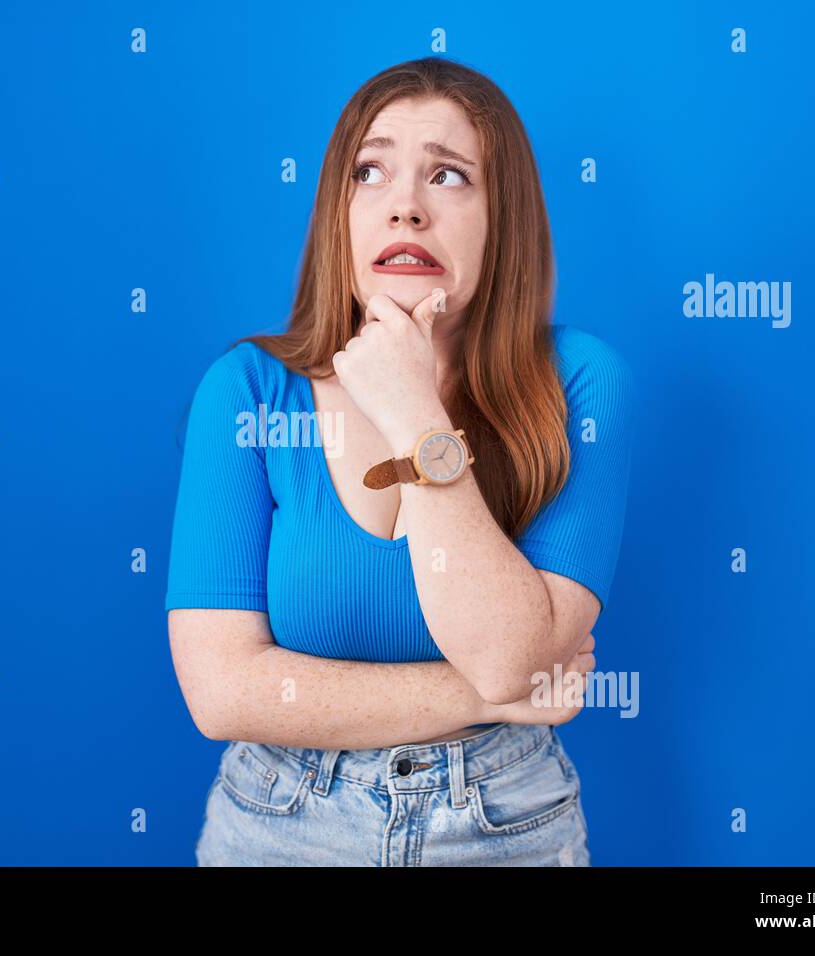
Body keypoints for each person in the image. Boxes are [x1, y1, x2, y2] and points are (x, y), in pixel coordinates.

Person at [164, 56, 634, 866]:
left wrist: (414, 411)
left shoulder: (581, 383)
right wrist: (486, 694)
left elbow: (506, 655)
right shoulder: (245, 393)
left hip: (504, 827)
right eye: (370, 172)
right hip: (277, 826)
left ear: (503, 217)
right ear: (338, 213)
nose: (405, 208)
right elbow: (221, 692)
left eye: (448, 177)